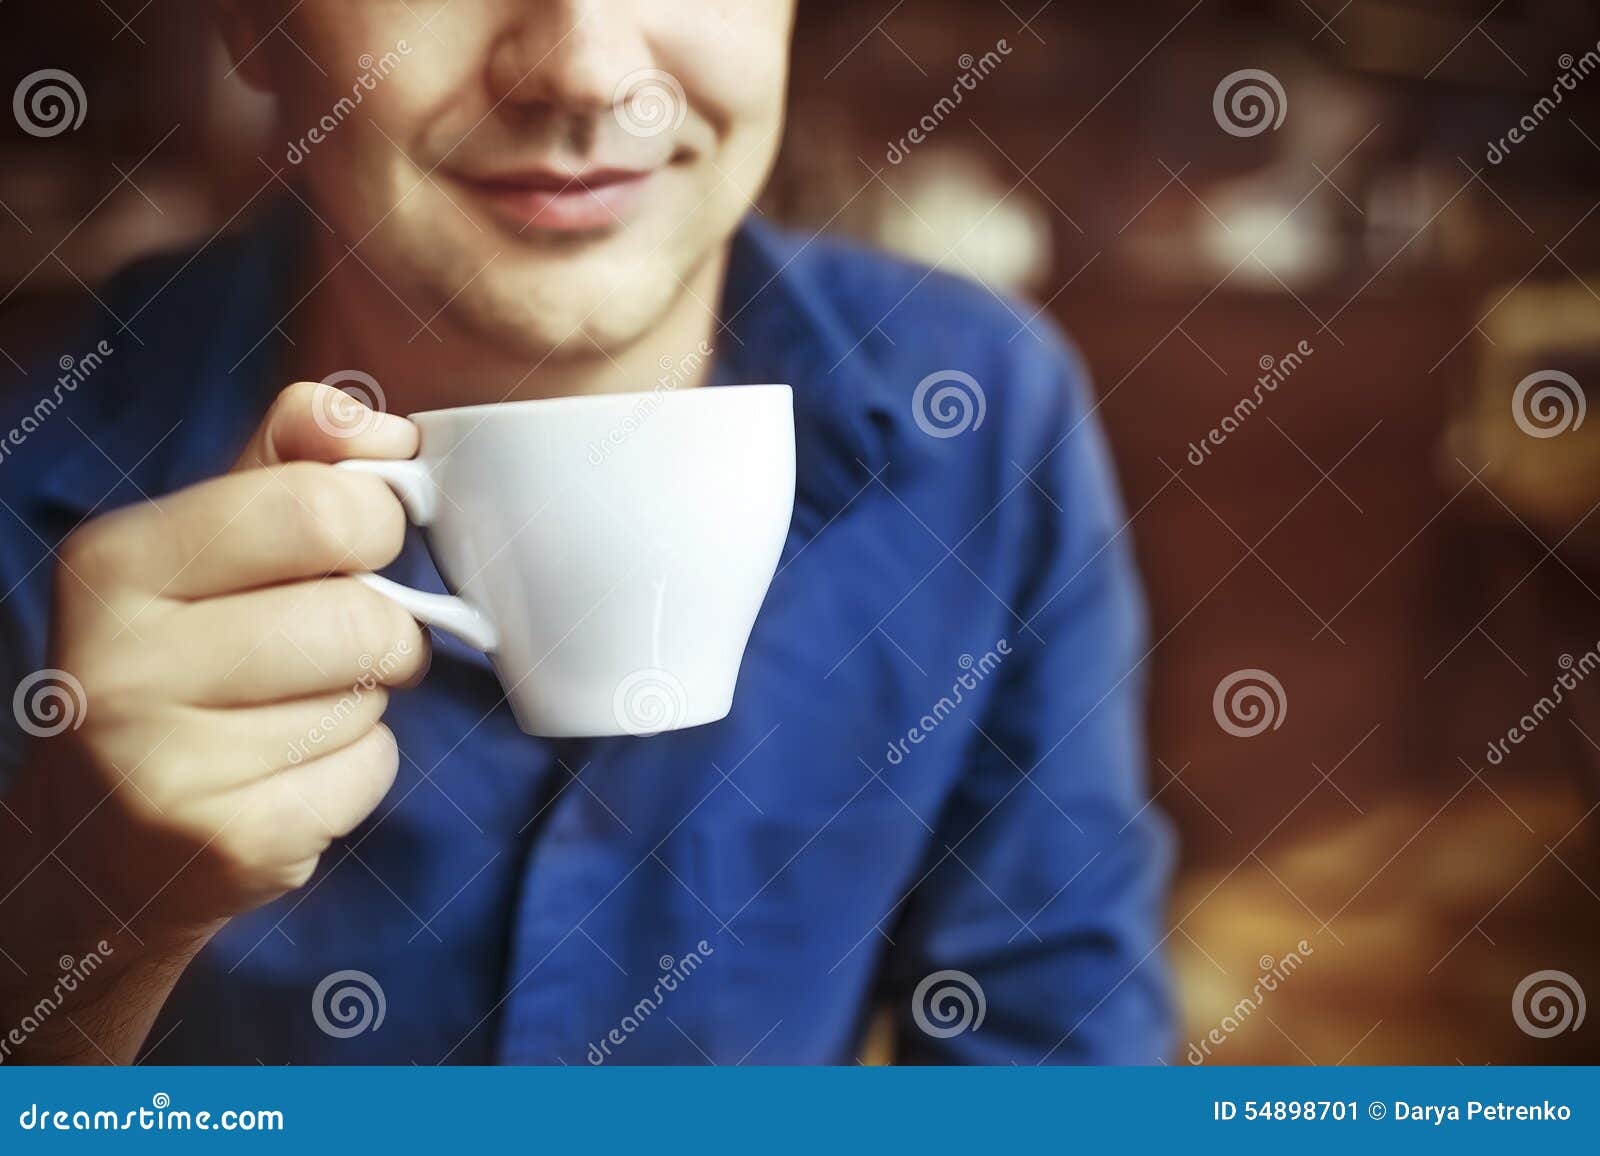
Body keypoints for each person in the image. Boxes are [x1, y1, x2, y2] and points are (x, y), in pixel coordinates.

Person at [0, 0, 1172, 1064]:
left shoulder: (978, 408)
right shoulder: (33, 465)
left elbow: (1056, 1062)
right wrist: (88, 932)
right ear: (252, 23)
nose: (586, 72)